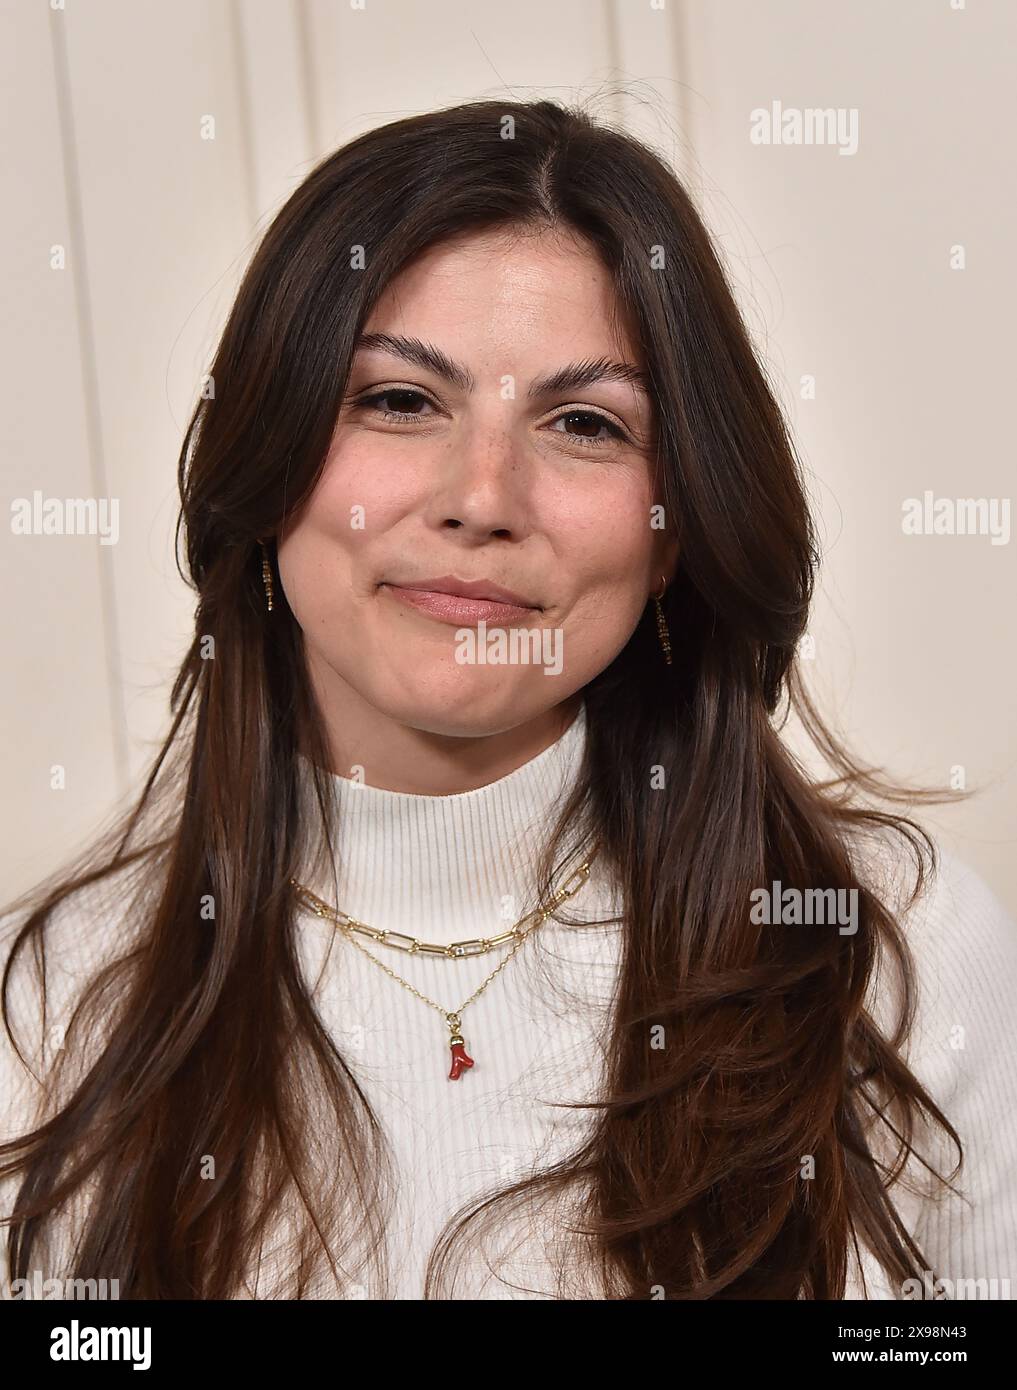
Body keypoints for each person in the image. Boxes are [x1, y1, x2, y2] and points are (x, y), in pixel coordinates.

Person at [2, 97, 1016, 1301]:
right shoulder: (53, 1009)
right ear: (267, 461)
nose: (482, 496)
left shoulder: (893, 949)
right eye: (396, 400)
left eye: (584, 423)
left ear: (678, 525)